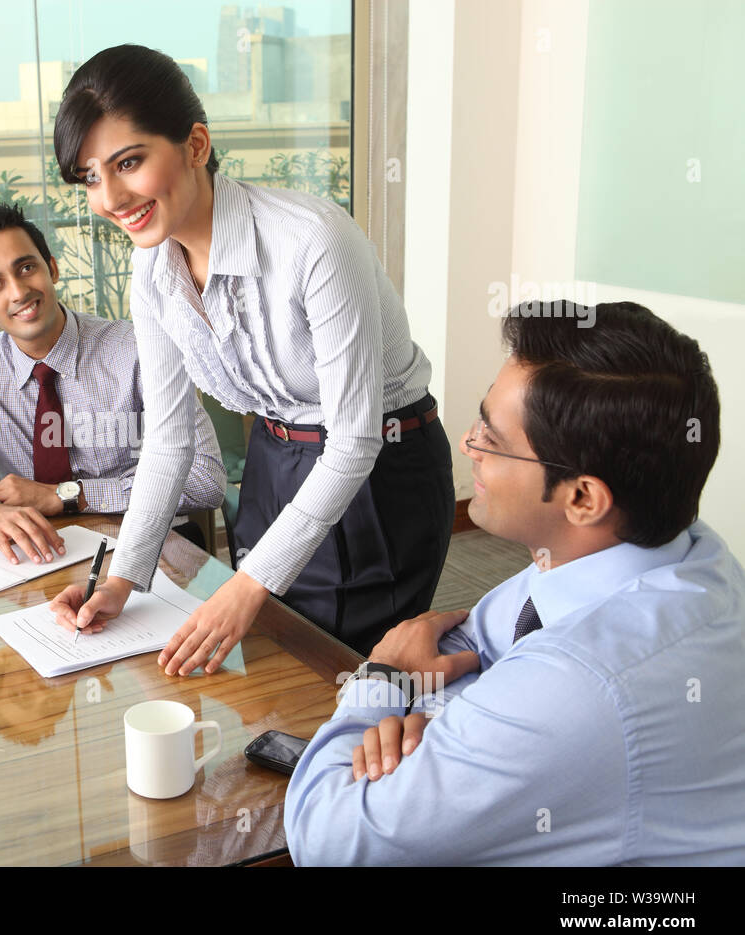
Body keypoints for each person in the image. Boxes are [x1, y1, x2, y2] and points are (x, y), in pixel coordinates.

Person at [283, 301, 745, 865]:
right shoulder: (675, 549)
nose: (467, 444)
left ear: (582, 498)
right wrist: (455, 729)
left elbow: (325, 839)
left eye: (492, 440)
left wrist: (382, 679)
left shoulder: (582, 685)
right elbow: (468, 641)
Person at [48, 45, 454, 664]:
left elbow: (354, 441)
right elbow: (169, 437)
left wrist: (246, 586)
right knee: (268, 663)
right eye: (90, 178)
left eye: (129, 162)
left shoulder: (313, 239)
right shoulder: (152, 268)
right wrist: (121, 578)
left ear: (196, 145)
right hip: (273, 461)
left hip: (378, 467)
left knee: (340, 670)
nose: (111, 197)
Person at [0, 202, 226, 565]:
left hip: (146, 550)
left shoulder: (137, 349)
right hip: (35, 557)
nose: (18, 292)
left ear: (51, 268)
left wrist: (68, 495)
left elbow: (206, 478)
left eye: (26, 268)